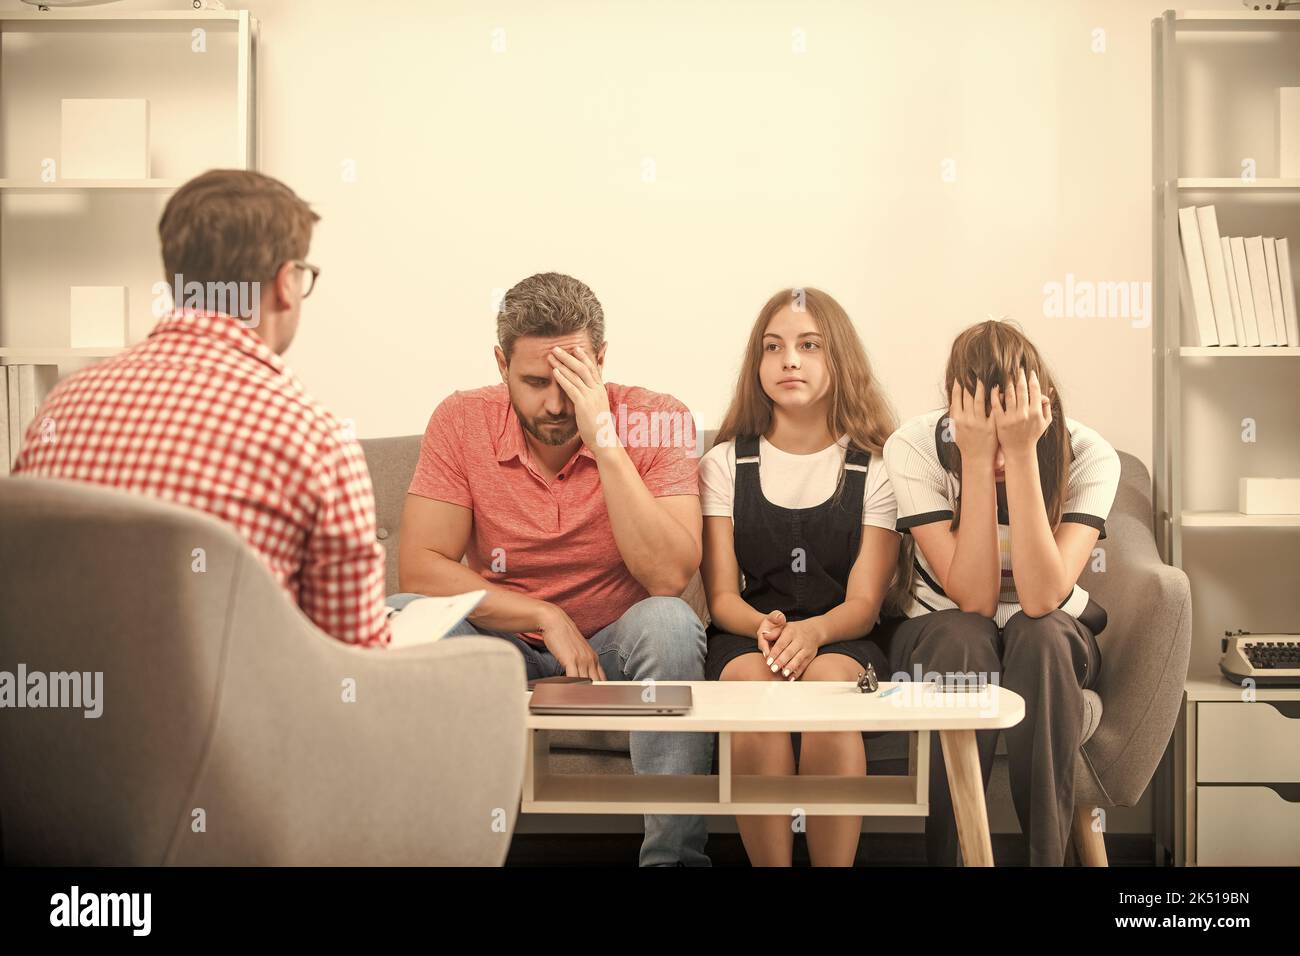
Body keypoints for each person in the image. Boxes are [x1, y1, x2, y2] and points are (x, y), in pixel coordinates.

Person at [395, 271, 711, 866]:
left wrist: (605, 438)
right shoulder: (461, 420)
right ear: (500, 364)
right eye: (536, 382)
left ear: (601, 359)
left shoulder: (657, 417)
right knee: (401, 617)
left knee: (669, 620)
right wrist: (544, 614)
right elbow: (421, 568)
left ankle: (672, 861)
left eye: (573, 379)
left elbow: (669, 576)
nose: (557, 403)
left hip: (615, 649)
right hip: (502, 643)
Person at [13, 169, 393, 647]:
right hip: (220, 720)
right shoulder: (314, 436)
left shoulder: (62, 405)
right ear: (285, 284)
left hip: (56, 713)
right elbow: (354, 657)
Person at [883, 318, 1120, 866]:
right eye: (977, 429)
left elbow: (1041, 599)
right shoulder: (915, 446)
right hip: (941, 629)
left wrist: (1020, 455)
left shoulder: (1089, 454)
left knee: (1042, 636)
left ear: (1043, 406)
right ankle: (954, 858)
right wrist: (972, 456)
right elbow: (974, 601)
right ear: (953, 411)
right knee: (964, 637)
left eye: (1006, 426)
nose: (992, 454)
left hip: (1048, 632)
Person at [699, 287, 910, 867]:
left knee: (829, 693)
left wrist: (812, 633)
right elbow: (720, 597)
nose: (789, 359)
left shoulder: (875, 467)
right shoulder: (723, 463)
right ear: (757, 363)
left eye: (809, 345)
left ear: (839, 359)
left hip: (840, 633)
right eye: (774, 347)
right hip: (750, 631)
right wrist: (765, 628)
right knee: (752, 695)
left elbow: (865, 603)